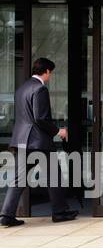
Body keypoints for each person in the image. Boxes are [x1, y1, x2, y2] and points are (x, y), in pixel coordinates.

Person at [2, 58, 78, 227]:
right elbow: (40, 118)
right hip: (38, 142)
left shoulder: (21, 88)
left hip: (21, 140)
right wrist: (59, 131)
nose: (50, 76)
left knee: (18, 179)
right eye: (50, 72)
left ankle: (7, 215)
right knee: (54, 176)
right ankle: (59, 212)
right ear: (47, 72)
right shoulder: (40, 89)